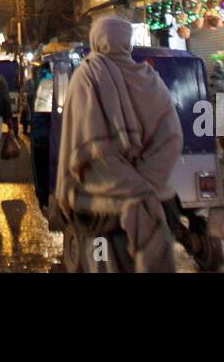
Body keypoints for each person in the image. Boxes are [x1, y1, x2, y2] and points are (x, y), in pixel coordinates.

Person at [56, 14, 183, 273]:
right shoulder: (151, 79)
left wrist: (133, 190)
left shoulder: (86, 77)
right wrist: (146, 185)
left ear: (96, 39)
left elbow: (90, 148)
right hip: (157, 205)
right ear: (127, 42)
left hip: (102, 213)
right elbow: (171, 139)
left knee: (101, 264)